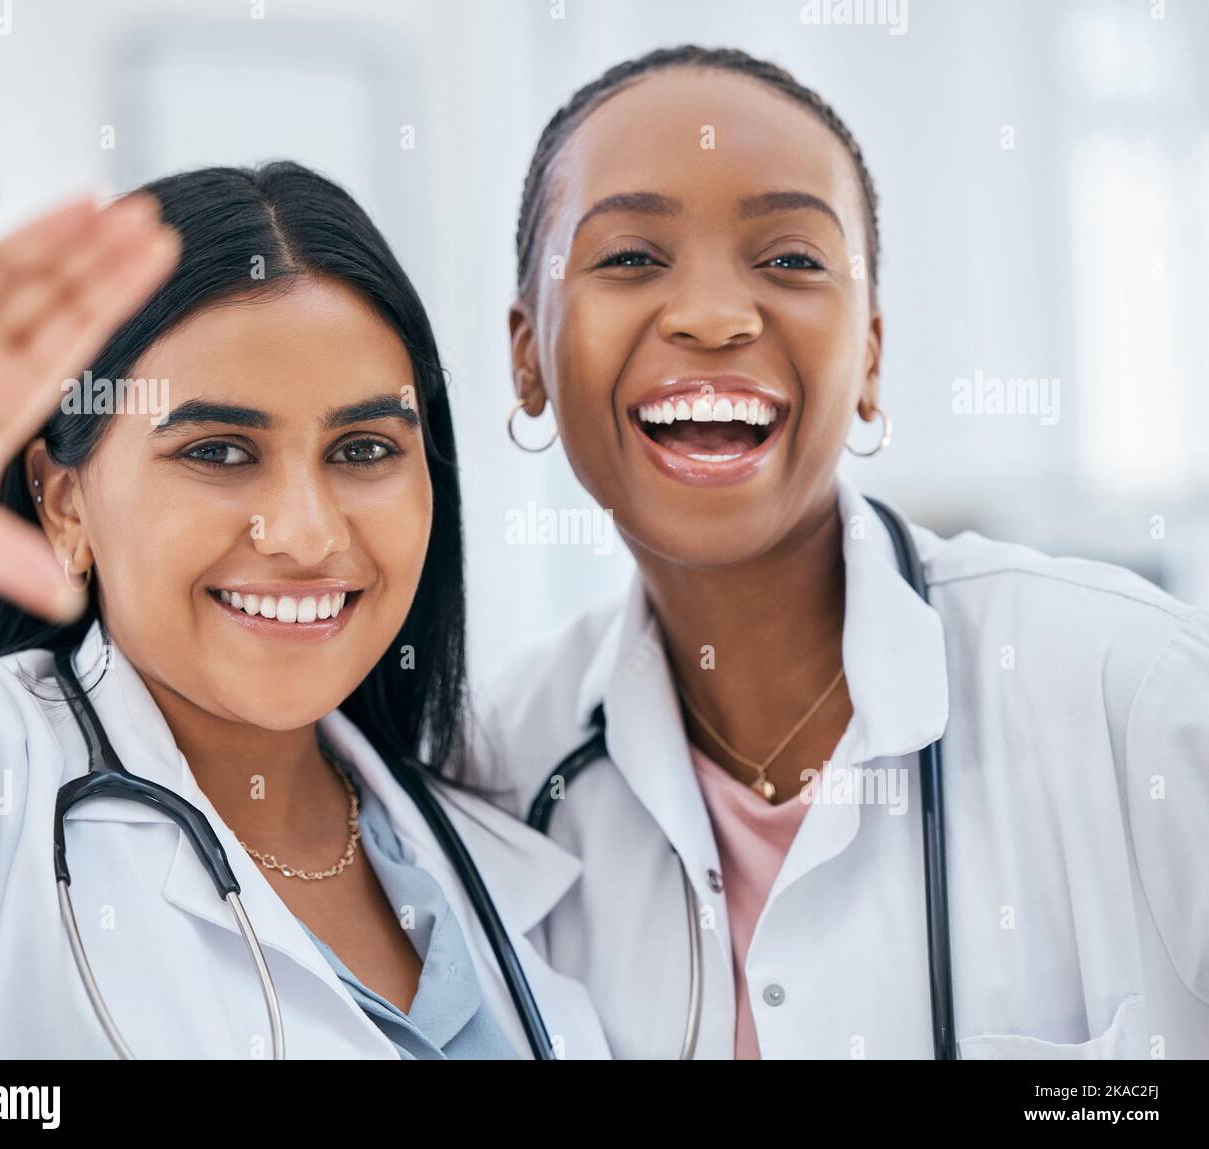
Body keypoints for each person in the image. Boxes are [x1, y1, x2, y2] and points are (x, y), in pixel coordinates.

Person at [470, 45, 1209, 1059]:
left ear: (868, 354)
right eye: (631, 258)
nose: (714, 317)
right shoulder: (499, 773)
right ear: (527, 357)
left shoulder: (1133, 694)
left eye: (790, 259)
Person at [0, 163, 607, 1059]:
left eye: (362, 448)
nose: (306, 535)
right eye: (220, 450)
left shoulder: (491, 854)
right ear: (64, 501)